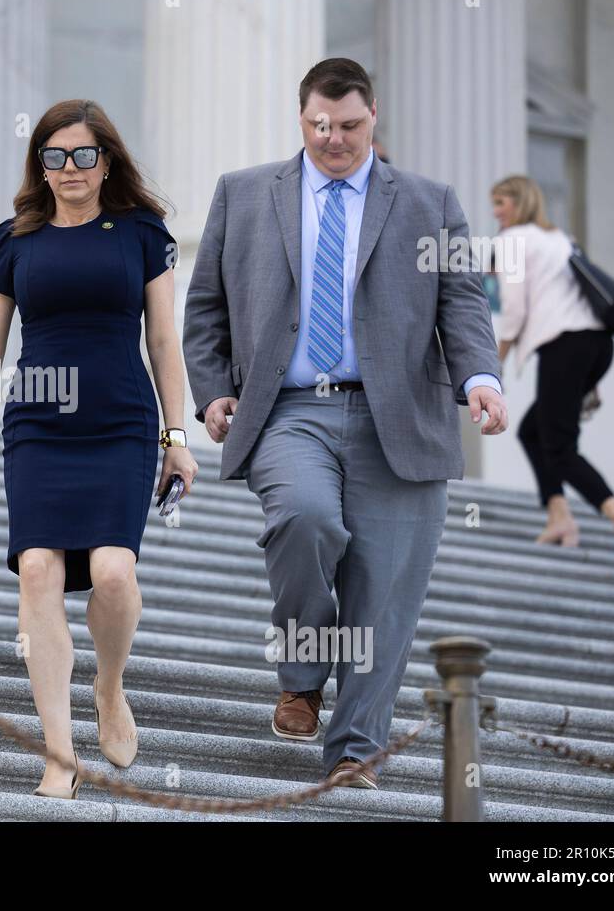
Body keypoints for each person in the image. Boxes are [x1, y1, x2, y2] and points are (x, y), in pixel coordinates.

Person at [183, 58, 507, 790]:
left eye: (350, 126)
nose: (334, 140)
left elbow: (462, 303)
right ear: (302, 119)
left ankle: (355, 749)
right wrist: (210, 394)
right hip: (288, 410)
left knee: (383, 591)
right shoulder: (244, 194)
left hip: (400, 415)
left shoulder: (433, 204)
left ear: (373, 118)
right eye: (320, 126)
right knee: (304, 519)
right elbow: (205, 310)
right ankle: (301, 675)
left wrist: (481, 379)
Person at [0, 99, 198, 799]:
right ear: (39, 163)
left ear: (107, 162)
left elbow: (163, 342)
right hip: (37, 423)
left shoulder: (142, 234)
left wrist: (176, 439)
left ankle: (109, 685)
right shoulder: (15, 238)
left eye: (83, 156)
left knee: (115, 574)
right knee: (37, 568)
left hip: (120, 419)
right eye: (54, 156)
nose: (69, 169)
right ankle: (59, 756)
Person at [491, 174, 614, 572]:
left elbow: (513, 313)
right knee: (533, 431)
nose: (496, 212)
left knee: (559, 448)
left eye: (502, 203)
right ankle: (559, 517)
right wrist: (590, 381)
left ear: (521, 203)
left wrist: (492, 368)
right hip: (598, 345)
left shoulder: (512, 241)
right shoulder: (558, 238)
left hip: (566, 346)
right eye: (494, 204)